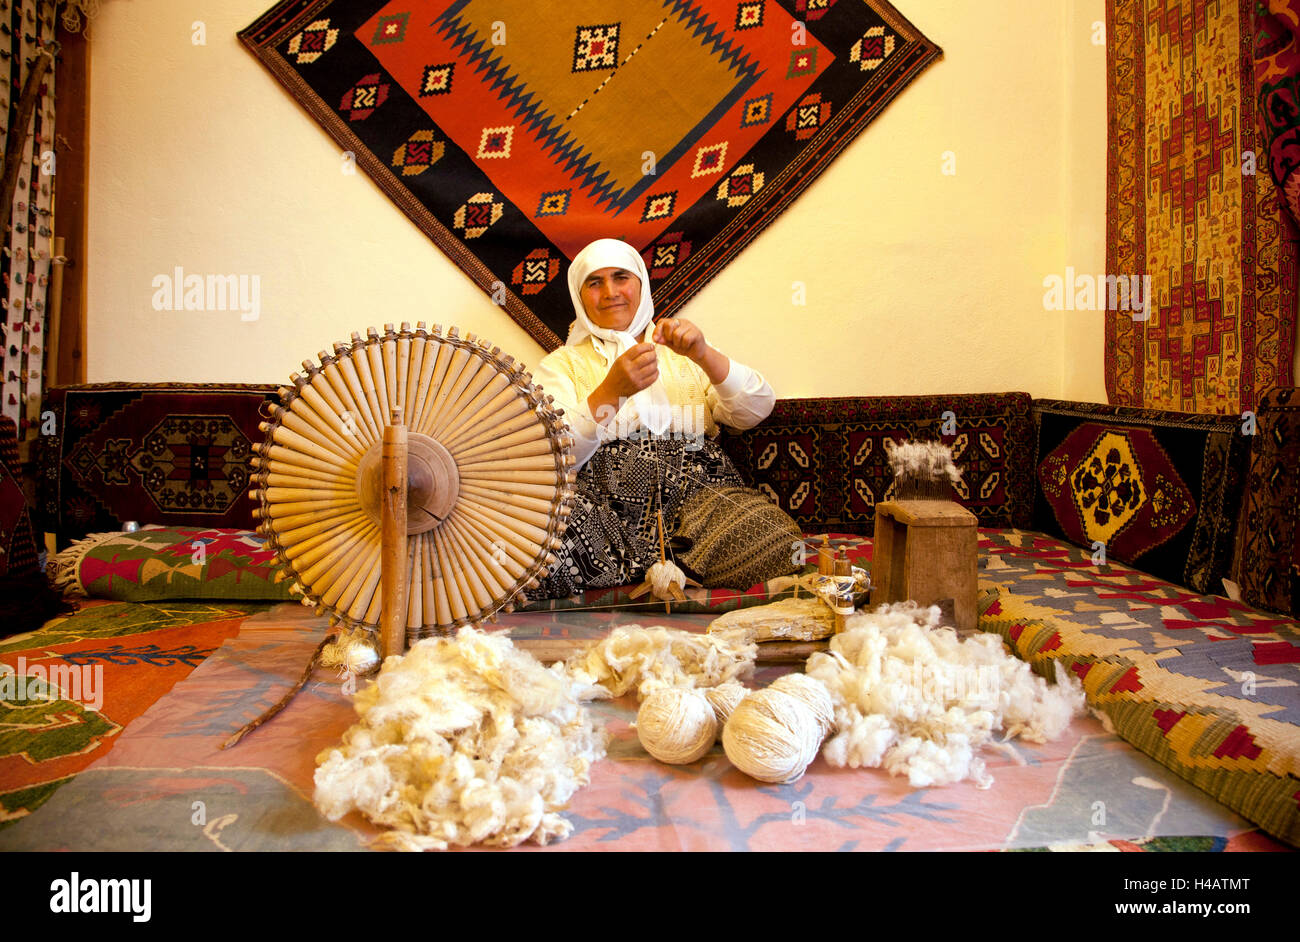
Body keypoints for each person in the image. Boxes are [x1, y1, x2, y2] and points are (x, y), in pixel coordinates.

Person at [529, 237, 789, 598]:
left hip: (700, 507)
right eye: (595, 282)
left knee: (776, 539)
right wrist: (613, 391)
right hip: (602, 515)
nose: (610, 292)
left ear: (640, 284)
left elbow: (754, 410)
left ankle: (662, 569)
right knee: (531, 551)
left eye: (621, 277)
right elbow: (556, 454)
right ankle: (654, 567)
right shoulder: (561, 364)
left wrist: (703, 354)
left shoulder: (682, 348)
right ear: (579, 294)